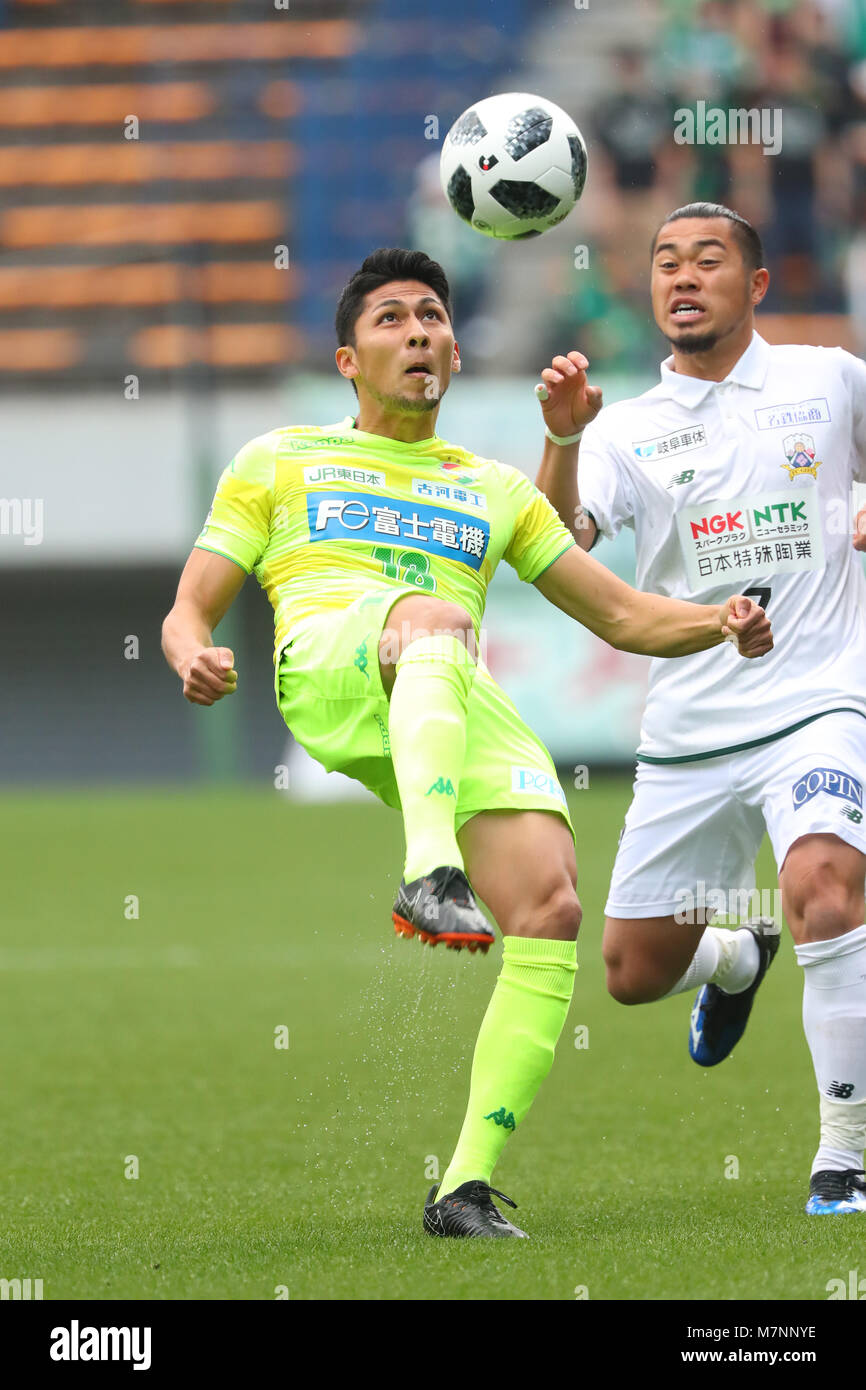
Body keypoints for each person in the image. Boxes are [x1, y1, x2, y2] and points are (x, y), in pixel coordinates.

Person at [162, 246, 771, 1238]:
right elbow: (189, 608)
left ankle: (464, 1188)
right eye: (391, 319)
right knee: (436, 623)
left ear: (453, 347)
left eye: (433, 317)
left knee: (550, 902)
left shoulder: (492, 487)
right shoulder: (278, 459)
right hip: (330, 658)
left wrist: (719, 619)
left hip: (441, 687)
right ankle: (428, 873)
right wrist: (190, 652)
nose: (417, 333)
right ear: (348, 360)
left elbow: (619, 615)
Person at [536, 202, 866, 1216]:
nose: (680, 277)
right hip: (688, 732)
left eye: (706, 260)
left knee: (825, 885)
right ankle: (734, 952)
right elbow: (555, 539)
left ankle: (842, 1155)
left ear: (754, 285)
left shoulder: (827, 377)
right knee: (632, 972)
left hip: (818, 701)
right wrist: (559, 439)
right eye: (664, 263)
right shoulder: (625, 426)